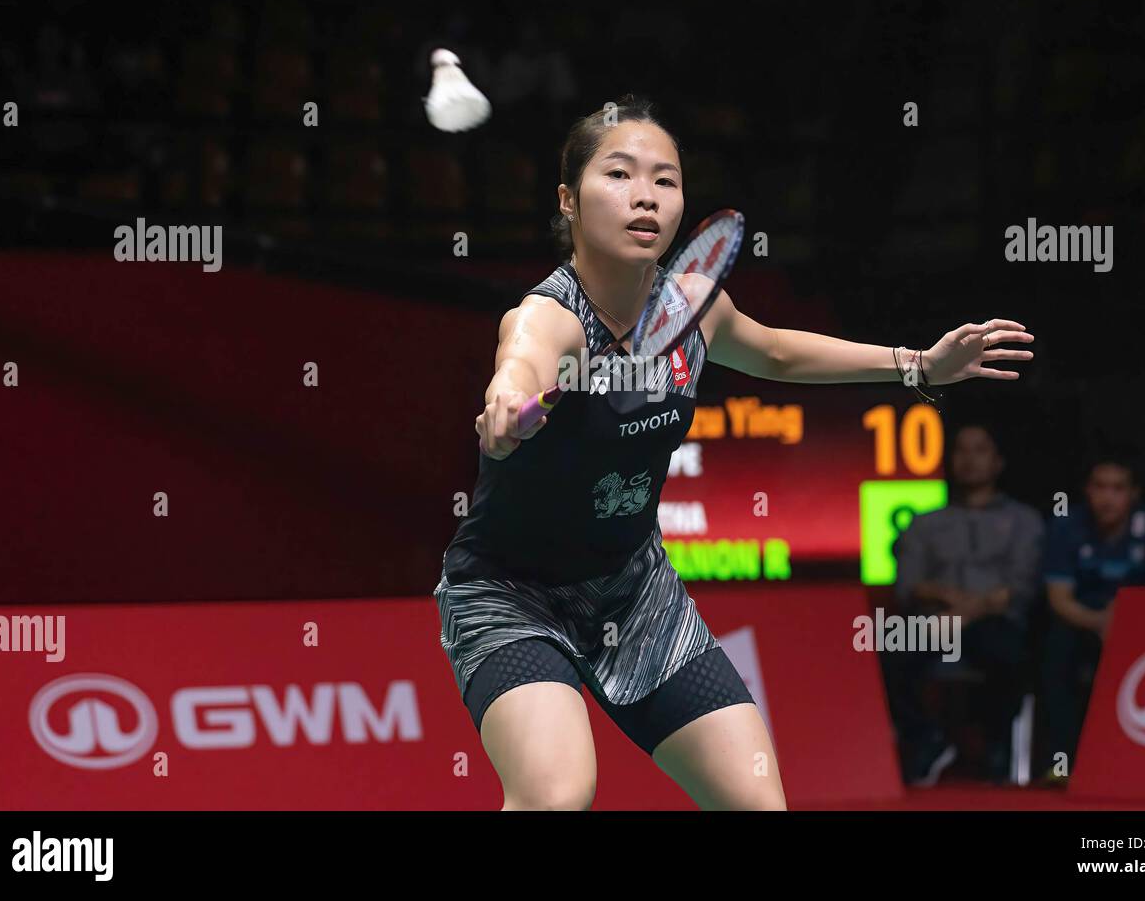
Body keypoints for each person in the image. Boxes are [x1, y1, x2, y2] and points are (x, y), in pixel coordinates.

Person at [433, 93, 1035, 810]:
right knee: (558, 795)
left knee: (756, 802)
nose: (646, 197)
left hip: (633, 590)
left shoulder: (690, 305)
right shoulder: (550, 316)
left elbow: (778, 353)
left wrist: (918, 365)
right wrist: (509, 405)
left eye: (665, 179)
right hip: (511, 594)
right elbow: (522, 364)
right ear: (568, 199)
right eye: (619, 175)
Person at [885, 422, 1044, 785]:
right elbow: (908, 586)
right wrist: (949, 604)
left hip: (995, 621)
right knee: (889, 646)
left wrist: (967, 612)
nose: (969, 459)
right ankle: (926, 738)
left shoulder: (1024, 521)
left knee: (1010, 653)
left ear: (999, 462)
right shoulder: (924, 524)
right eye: (961, 450)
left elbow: (1019, 587)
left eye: (980, 450)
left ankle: (995, 746)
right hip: (936, 623)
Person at [1039, 455, 1145, 780]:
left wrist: (1125, 626)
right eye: (1100, 487)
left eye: (1118, 488)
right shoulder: (1066, 525)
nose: (1108, 497)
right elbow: (1059, 599)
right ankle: (1061, 761)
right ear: (1087, 490)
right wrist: (1100, 622)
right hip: (1084, 622)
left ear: (1134, 493)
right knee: (1056, 647)